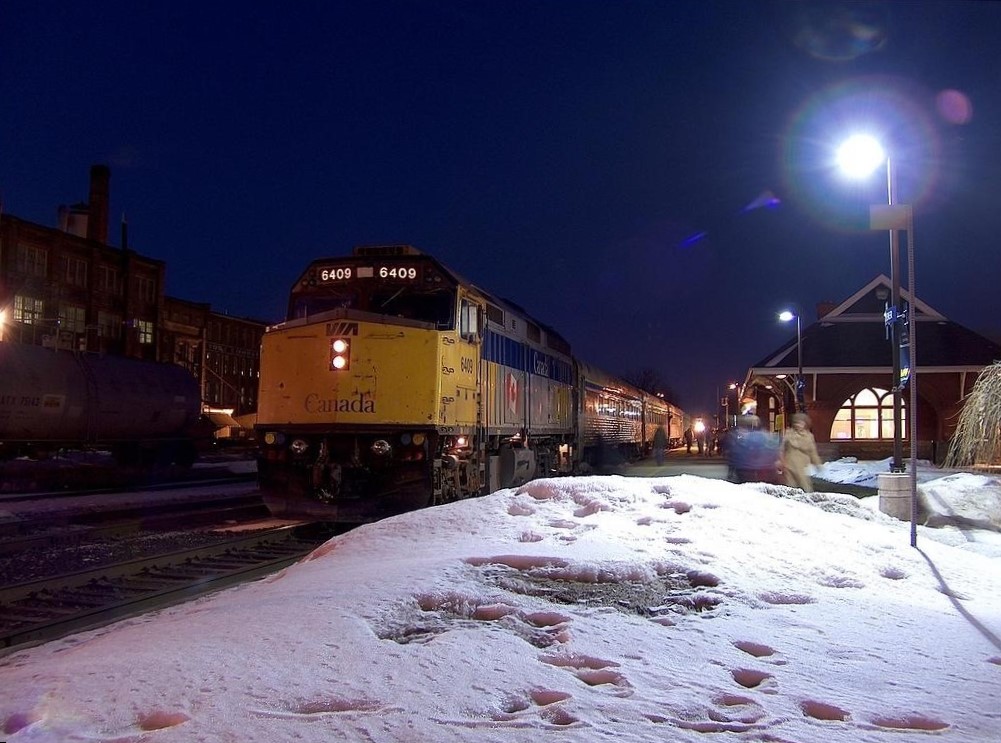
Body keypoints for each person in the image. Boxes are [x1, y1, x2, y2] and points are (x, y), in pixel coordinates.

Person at [727, 415, 781, 484]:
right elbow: (774, 450)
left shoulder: (740, 437)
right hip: (766, 468)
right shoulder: (767, 436)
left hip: (745, 469)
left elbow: (735, 453)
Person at [779, 412, 823, 492]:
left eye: (801, 423)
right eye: (796, 423)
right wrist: (781, 462)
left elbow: (812, 452)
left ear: (805, 424)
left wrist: (817, 464)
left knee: (805, 486)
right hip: (789, 465)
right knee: (790, 487)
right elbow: (782, 449)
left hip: (802, 466)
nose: (798, 425)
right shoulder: (788, 434)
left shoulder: (809, 436)